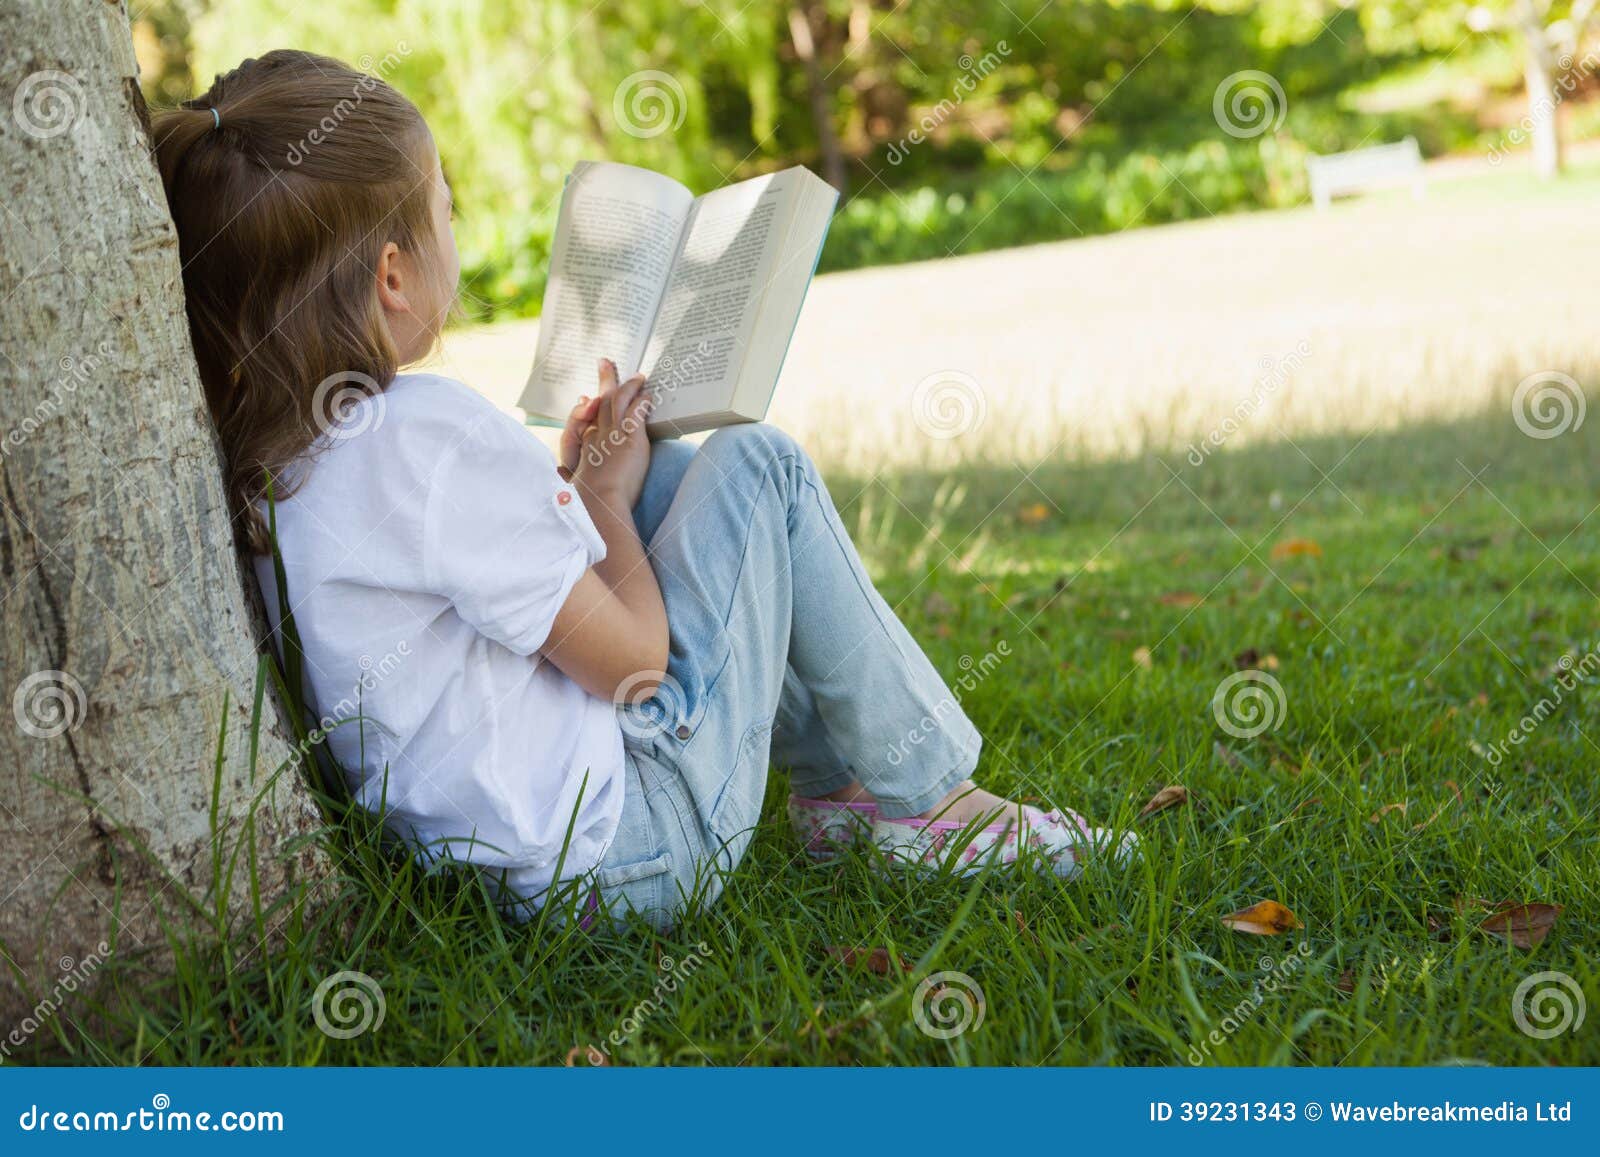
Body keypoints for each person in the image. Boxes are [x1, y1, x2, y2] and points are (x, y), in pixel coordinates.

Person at [152, 50, 1135, 925]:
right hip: (639, 848)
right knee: (759, 467)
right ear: (394, 276)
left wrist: (594, 489)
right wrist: (603, 504)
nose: (457, 223)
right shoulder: (427, 432)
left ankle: (842, 799)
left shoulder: (280, 461)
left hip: (503, 867)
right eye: (446, 206)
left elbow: (479, 593)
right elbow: (630, 665)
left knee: (664, 473)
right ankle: (938, 804)